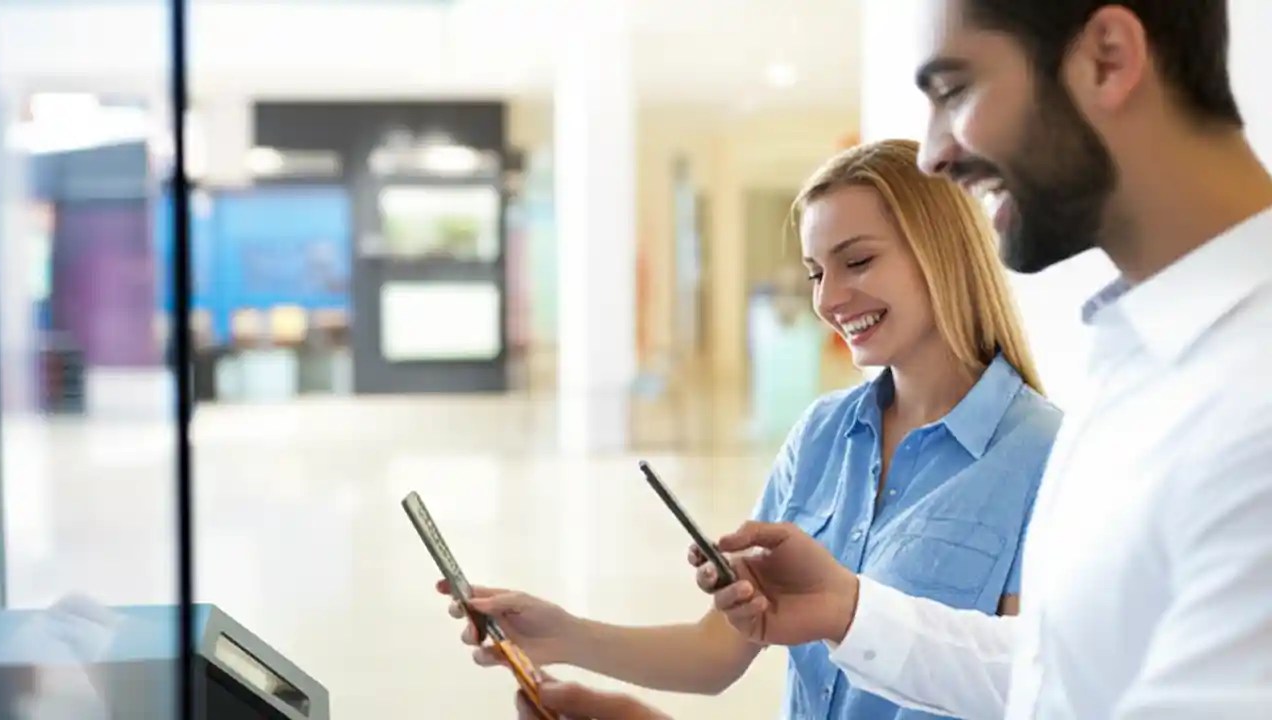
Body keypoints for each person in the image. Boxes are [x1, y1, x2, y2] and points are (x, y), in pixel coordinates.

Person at [698, 1, 1272, 719]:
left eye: (955, 90)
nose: (935, 153)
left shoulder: (1248, 404)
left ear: (1108, 59)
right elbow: (1056, 673)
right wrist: (847, 611)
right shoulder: (1137, 358)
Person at [447, 139, 1062, 719]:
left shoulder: (1045, 457)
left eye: (858, 261)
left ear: (944, 253)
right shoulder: (824, 433)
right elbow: (718, 652)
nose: (829, 299)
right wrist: (563, 635)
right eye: (817, 272)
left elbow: (1031, 689)